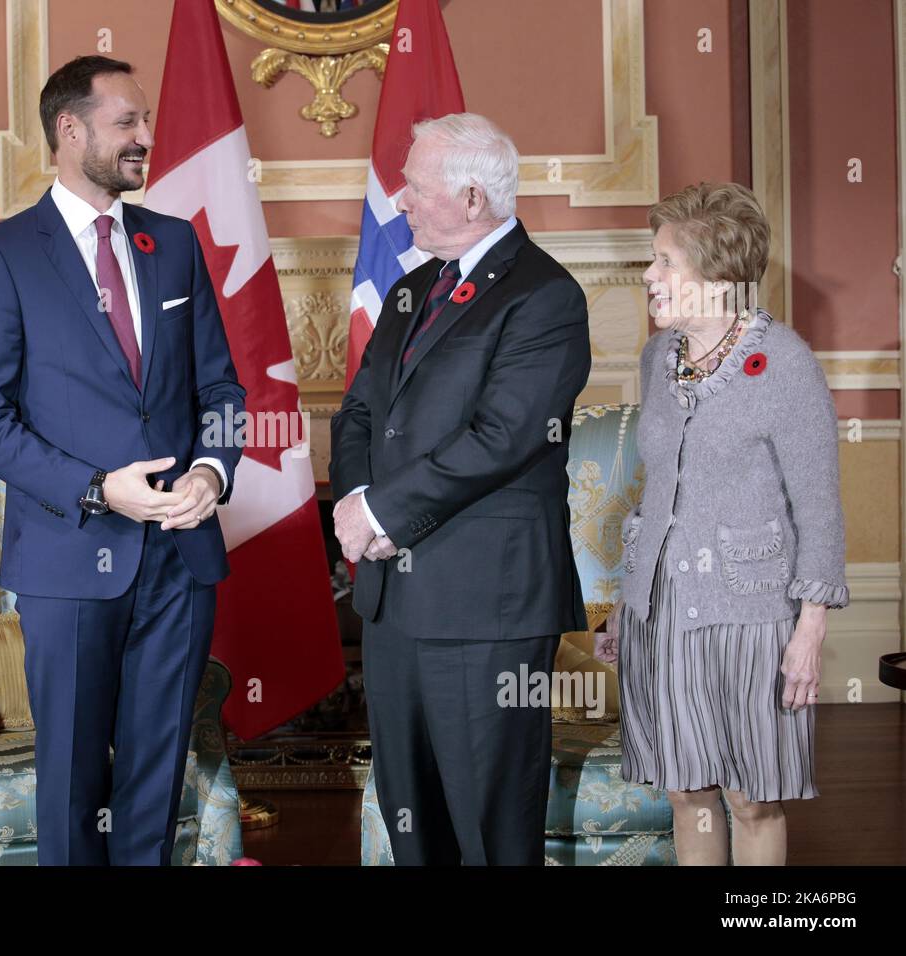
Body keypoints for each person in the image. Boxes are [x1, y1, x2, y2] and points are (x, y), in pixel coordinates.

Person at [0, 55, 246, 866]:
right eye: (127, 123)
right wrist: (96, 489)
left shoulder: (174, 244)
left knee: (154, 786)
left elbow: (222, 386)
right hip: (70, 557)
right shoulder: (1, 254)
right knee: (75, 785)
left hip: (180, 561)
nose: (146, 138)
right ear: (68, 129)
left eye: (144, 121)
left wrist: (210, 473)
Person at [330, 113, 591, 865]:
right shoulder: (414, 288)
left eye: (414, 187)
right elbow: (357, 413)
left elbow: (503, 438)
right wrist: (353, 506)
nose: (401, 202)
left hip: (489, 608)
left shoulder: (544, 296)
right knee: (413, 824)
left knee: (491, 830)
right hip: (393, 601)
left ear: (473, 197)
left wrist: (382, 510)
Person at [594, 181, 848, 866]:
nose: (649, 275)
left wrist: (811, 628)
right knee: (685, 791)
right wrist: (627, 605)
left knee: (752, 798)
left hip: (753, 611)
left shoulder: (785, 363)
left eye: (665, 261)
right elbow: (660, 491)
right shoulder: (659, 358)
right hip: (664, 610)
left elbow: (818, 504)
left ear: (717, 275)